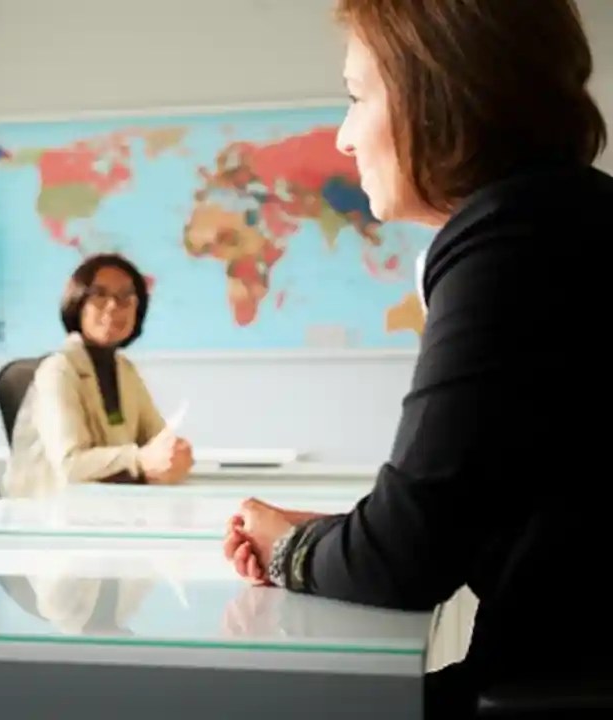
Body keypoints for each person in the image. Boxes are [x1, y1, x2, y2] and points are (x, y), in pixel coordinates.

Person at [222, 1, 611, 716]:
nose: (343, 137)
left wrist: (291, 552)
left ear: (436, 93)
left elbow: (405, 559)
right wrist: (335, 534)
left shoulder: (507, 242)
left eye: (356, 96)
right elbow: (450, 515)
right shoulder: (566, 217)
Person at [4, 253, 193, 497]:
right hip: (49, 515)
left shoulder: (124, 369)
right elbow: (70, 465)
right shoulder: (58, 370)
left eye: (126, 297)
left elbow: (156, 440)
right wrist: (140, 460)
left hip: (107, 509)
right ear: (78, 302)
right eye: (100, 294)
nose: (114, 305)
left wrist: (173, 454)